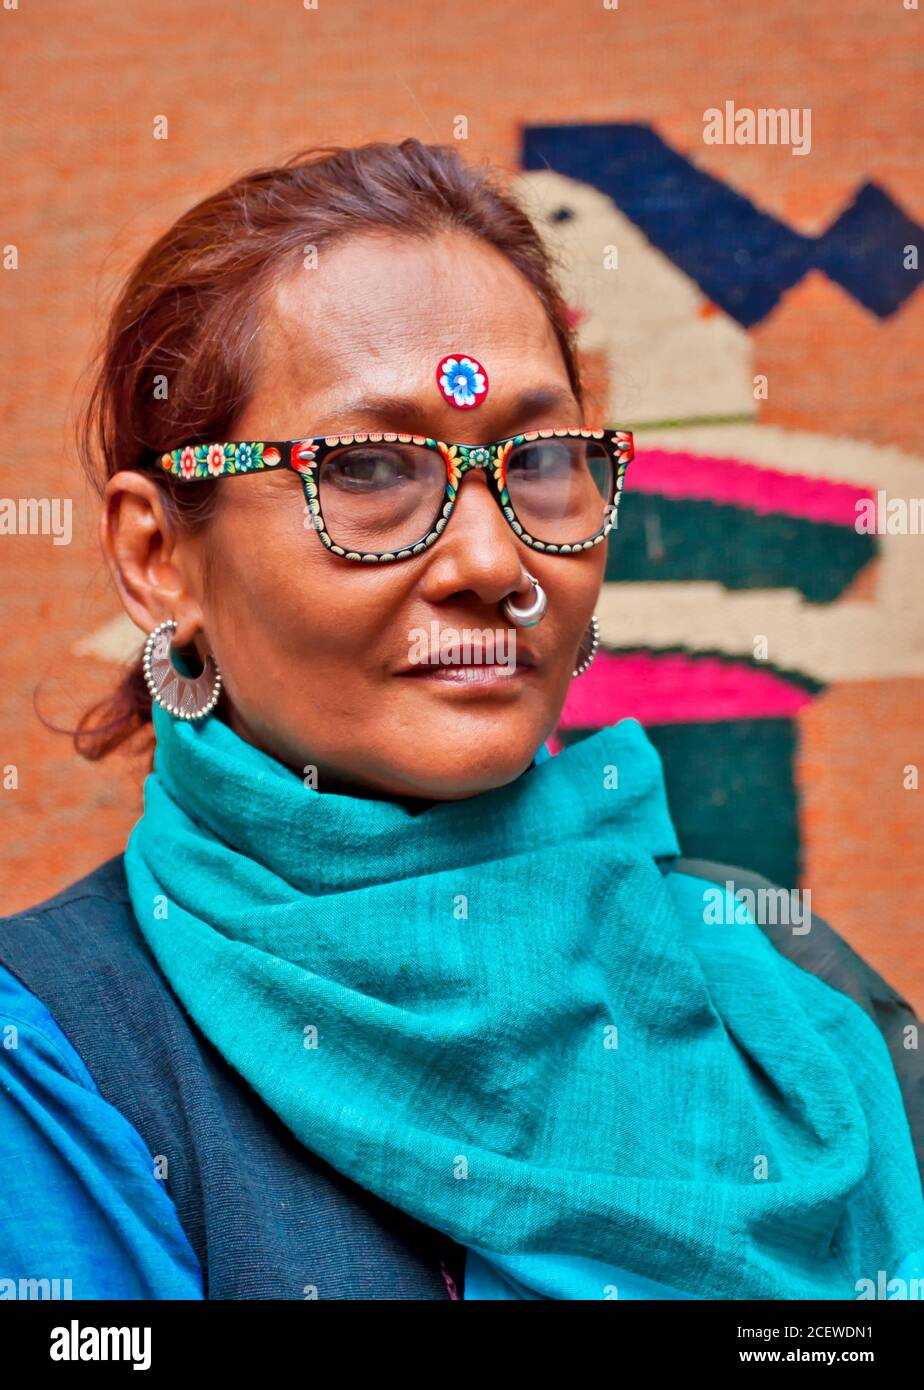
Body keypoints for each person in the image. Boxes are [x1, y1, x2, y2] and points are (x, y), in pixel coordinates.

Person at [0, 140, 921, 1302]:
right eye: (367, 468)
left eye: (536, 458)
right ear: (158, 555)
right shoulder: (54, 1062)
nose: (494, 559)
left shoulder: (790, 995)